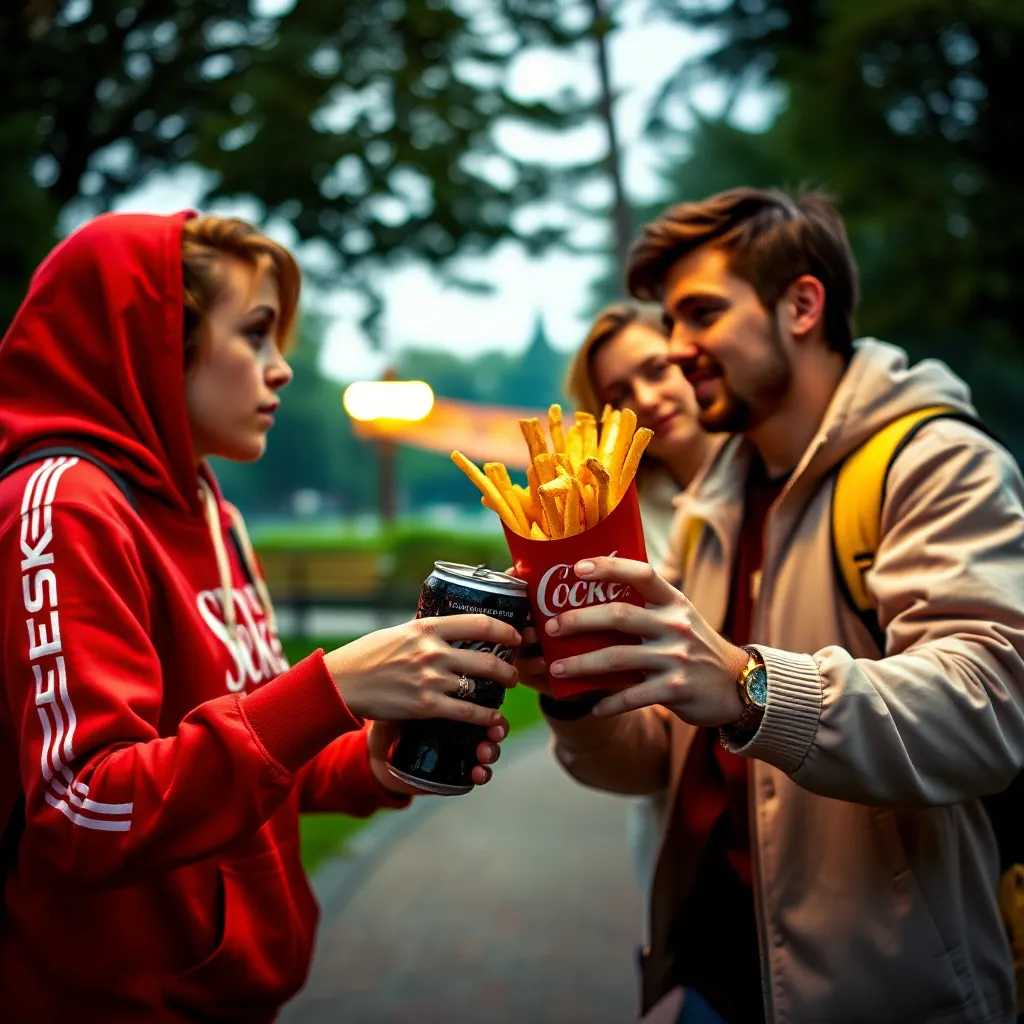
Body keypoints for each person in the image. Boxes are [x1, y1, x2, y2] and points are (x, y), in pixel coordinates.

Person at [0, 211, 521, 1022]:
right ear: (149, 340)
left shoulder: (211, 506)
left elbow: (252, 748)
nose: (281, 370)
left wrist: (369, 761)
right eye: (255, 334)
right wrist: (333, 685)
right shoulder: (64, 504)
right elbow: (83, 809)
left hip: (233, 995)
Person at [524, 187, 1024, 1022]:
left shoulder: (936, 463)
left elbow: (992, 709)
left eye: (701, 314)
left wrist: (748, 684)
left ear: (801, 304)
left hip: (884, 991)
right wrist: (575, 693)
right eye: (671, 321)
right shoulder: (709, 505)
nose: (679, 349)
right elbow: (654, 760)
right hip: (707, 980)